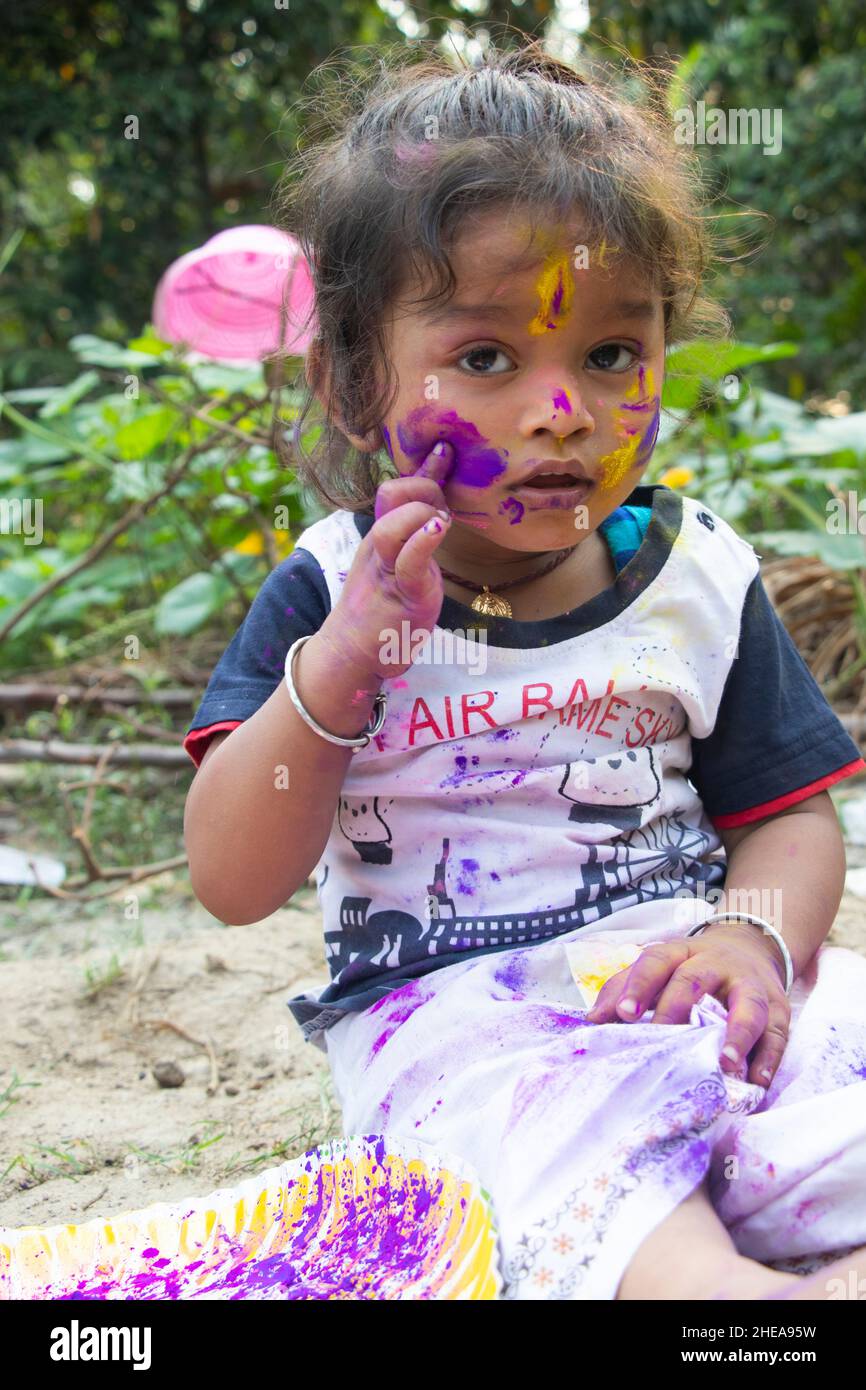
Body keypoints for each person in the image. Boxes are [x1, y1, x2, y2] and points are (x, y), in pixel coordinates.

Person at [183, 40, 866, 1300]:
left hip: (681, 974)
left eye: (610, 353)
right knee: (558, 1146)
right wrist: (334, 680)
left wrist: (750, 936)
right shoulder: (331, 593)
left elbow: (788, 818)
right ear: (347, 382)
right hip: (459, 1026)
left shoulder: (691, 575)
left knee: (842, 1038)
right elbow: (231, 878)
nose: (561, 410)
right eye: (487, 359)